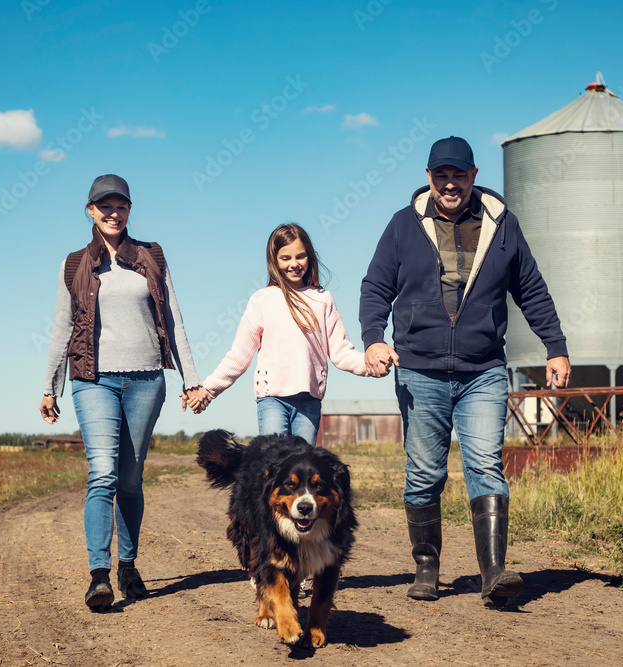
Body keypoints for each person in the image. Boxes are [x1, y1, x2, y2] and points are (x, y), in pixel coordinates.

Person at [359, 137, 571, 605]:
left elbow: (531, 289)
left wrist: (555, 347)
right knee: (424, 473)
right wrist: (374, 338)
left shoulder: (503, 225)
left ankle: (493, 573)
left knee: (485, 465)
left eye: (458, 175)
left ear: (473, 174)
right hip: (419, 369)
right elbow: (375, 286)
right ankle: (427, 566)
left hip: (483, 369)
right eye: (441, 175)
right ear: (429, 176)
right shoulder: (403, 226)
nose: (449, 183)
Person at [39, 174, 203, 610]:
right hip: (92, 378)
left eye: (121, 206)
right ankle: (99, 575)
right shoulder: (74, 264)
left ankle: (128, 565)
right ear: (90, 211)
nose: (113, 213)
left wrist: (192, 379)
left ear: (129, 210)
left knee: (130, 479)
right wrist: (50, 386)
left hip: (147, 378)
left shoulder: (151, 256)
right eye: (104, 206)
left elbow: (174, 317)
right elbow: (61, 327)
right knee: (104, 473)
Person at [188, 223, 376, 446]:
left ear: (310, 257)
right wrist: (208, 389)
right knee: (272, 464)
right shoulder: (262, 300)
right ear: (274, 261)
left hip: (310, 401)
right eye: (285, 258)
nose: (294, 264)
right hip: (272, 400)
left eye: (300, 256)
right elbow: (238, 357)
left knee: (302, 467)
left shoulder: (323, 299)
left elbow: (342, 352)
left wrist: (371, 364)